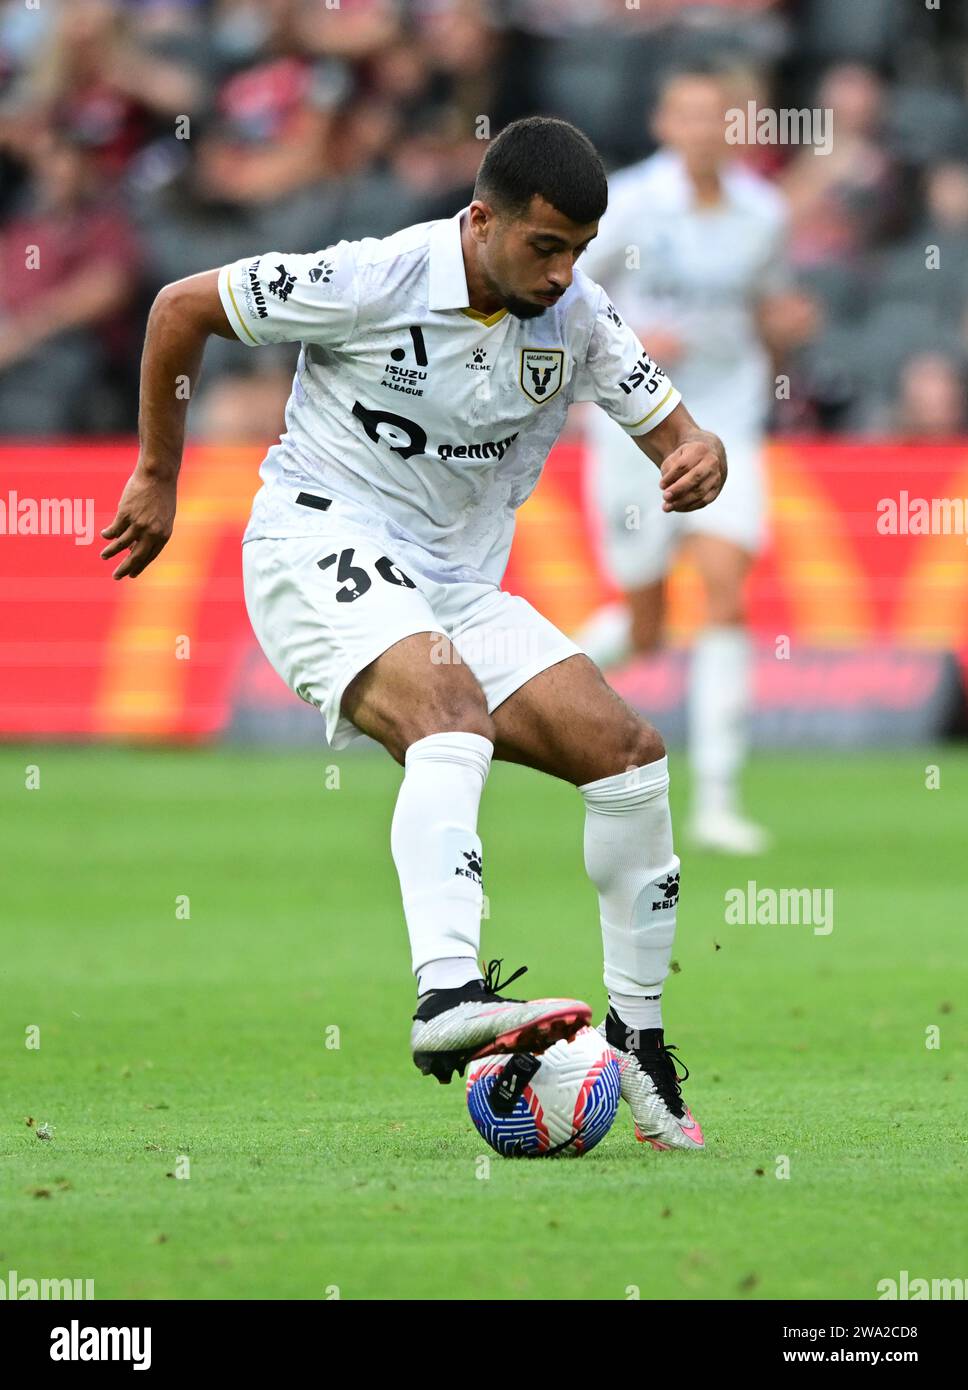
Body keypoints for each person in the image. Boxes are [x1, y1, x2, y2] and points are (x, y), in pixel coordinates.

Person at [101, 118, 726, 1151]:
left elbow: (675, 428)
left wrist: (699, 455)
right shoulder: (372, 277)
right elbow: (181, 308)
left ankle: (640, 1040)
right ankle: (445, 992)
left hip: (451, 586)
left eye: (579, 249)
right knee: (450, 711)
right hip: (316, 541)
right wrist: (159, 473)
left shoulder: (574, 316)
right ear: (480, 221)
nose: (564, 271)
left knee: (630, 760)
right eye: (545, 246)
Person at [578, 65, 801, 855]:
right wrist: (632, 347)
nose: (706, 130)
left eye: (720, 117)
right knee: (646, 627)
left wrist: (787, 328)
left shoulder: (764, 215)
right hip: (635, 423)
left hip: (729, 419)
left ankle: (716, 799)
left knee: (725, 588)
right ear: (667, 123)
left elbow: (768, 304)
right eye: (691, 115)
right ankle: (524, 685)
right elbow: (565, 292)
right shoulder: (630, 203)